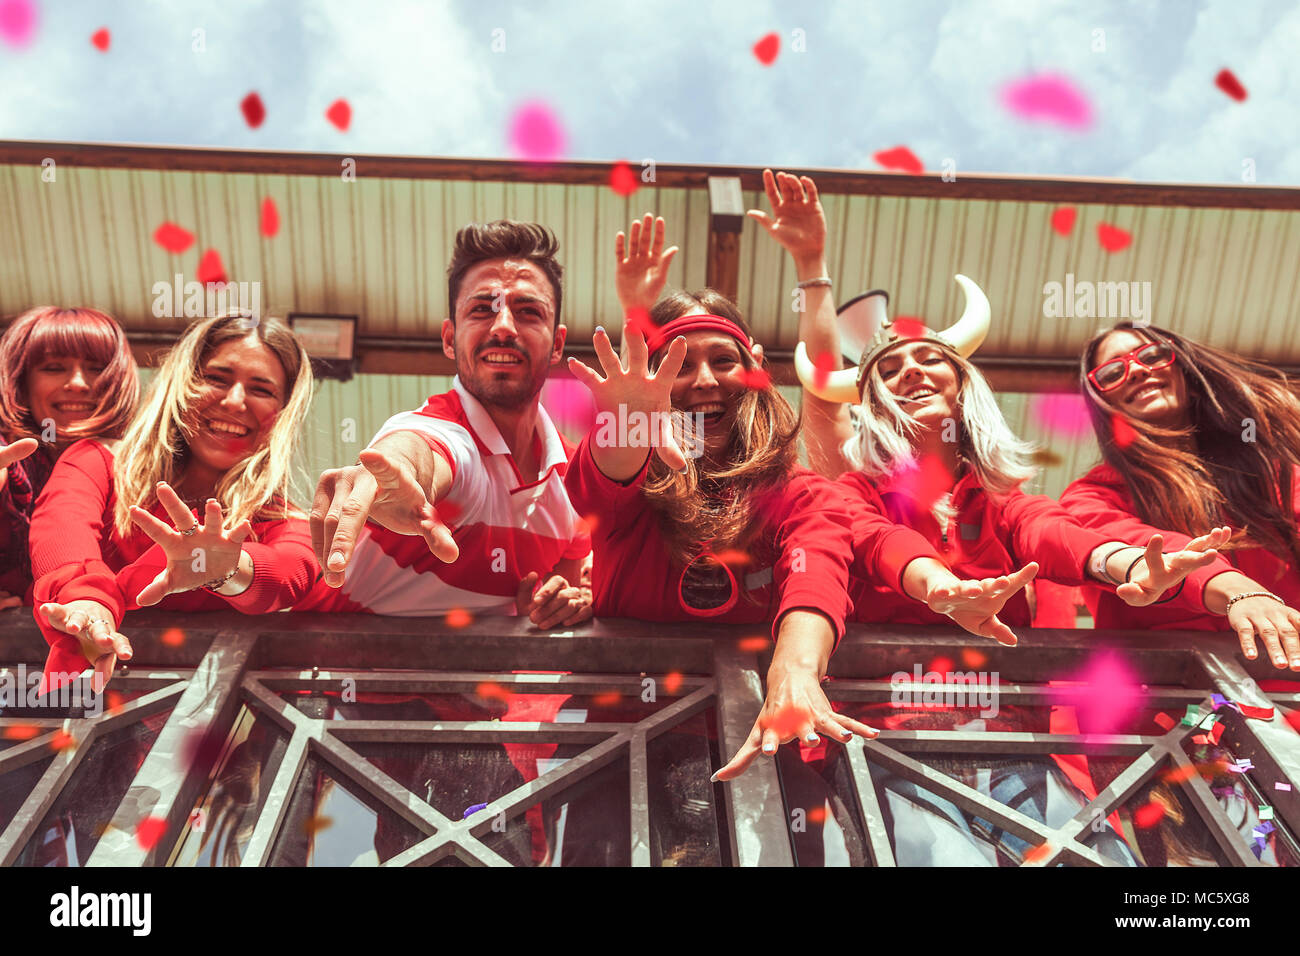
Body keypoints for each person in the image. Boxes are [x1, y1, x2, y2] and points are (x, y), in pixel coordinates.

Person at [565, 212, 1058, 785]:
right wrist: (626, 419)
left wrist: (795, 673)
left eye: (723, 361)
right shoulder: (636, 476)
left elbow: (818, 570)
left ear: (755, 374)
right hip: (614, 744)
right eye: (677, 365)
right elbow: (603, 474)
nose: (703, 381)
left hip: (762, 739)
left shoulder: (804, 492)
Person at [307, 220, 591, 628]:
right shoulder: (442, 429)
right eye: (481, 310)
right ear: (449, 337)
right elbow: (419, 448)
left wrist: (567, 601)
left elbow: (555, 600)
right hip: (326, 685)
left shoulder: (578, 474)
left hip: (475, 687)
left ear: (558, 343)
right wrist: (394, 475)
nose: (504, 327)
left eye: (528, 312)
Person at [31, 311, 319, 689]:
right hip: (49, 705)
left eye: (261, 389)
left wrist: (226, 569)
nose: (234, 402)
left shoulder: (285, 520)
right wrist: (88, 605)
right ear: (180, 383)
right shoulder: (98, 460)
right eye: (216, 378)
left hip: (197, 731)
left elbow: (287, 573)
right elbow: (61, 529)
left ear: (283, 413)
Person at [1064, 321, 1300, 670]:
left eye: (1152, 356)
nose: (1137, 371)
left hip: (1288, 695)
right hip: (1173, 713)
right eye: (1113, 371)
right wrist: (1239, 591)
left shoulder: (1270, 472)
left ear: (1186, 376)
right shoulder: (1092, 496)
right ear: (1103, 406)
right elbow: (1144, 550)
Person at [0, 307, 138, 607]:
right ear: (20, 383)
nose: (78, 383)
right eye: (53, 368)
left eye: (97, 368)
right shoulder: (5, 461)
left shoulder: (142, 467)